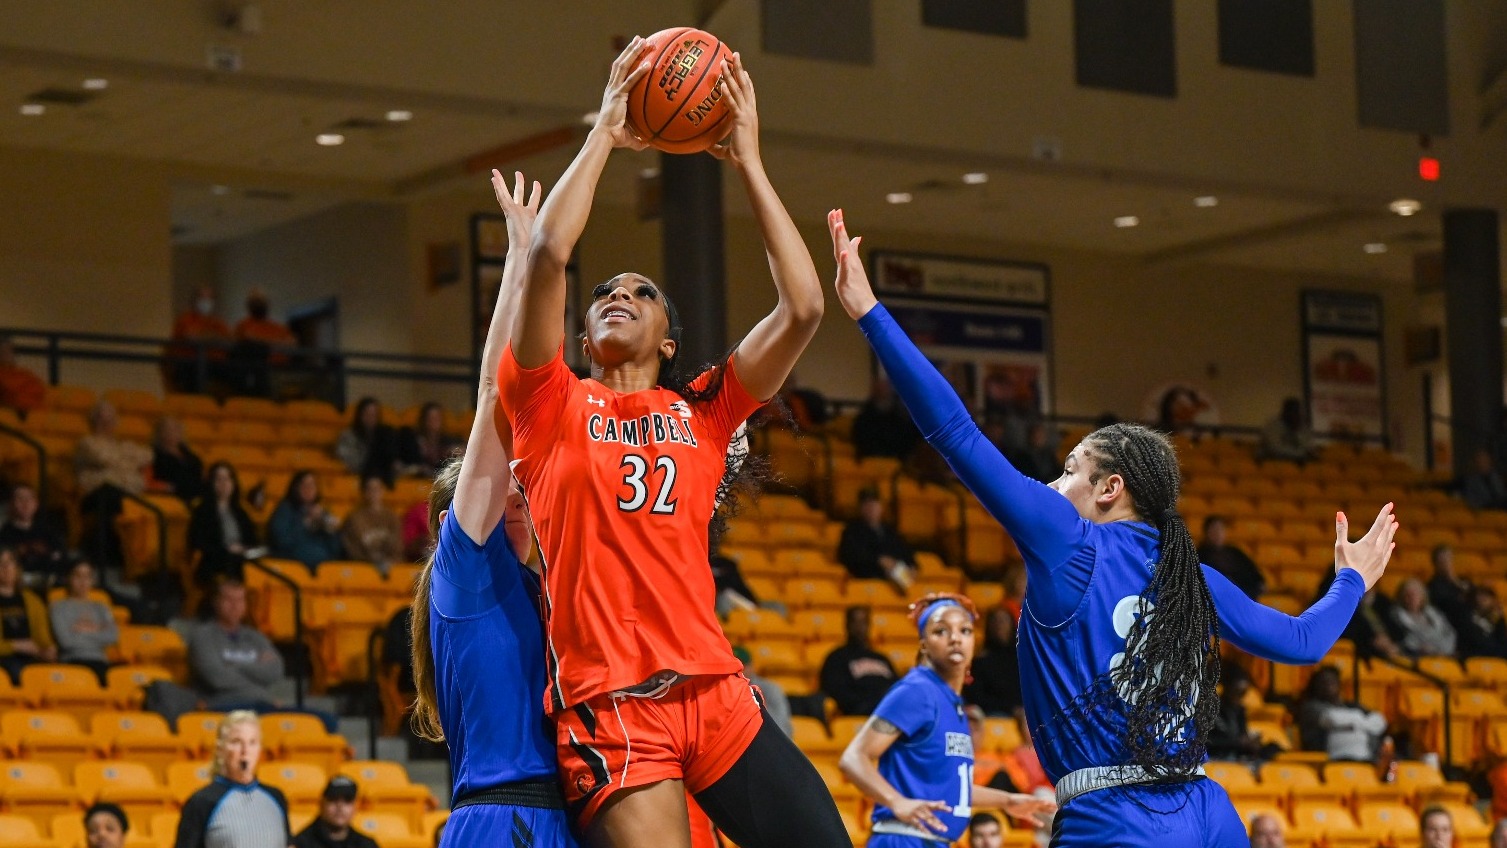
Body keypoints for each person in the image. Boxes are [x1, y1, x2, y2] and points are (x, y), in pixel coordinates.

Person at [828, 210, 1400, 847]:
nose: (1051, 483)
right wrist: (1350, 581)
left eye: (1069, 469)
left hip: (1115, 815)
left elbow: (956, 433)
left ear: (1109, 489)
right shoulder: (1192, 577)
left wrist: (870, 313)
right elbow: (1301, 641)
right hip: (1210, 811)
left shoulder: (1068, 541)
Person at [497, 42, 846, 847]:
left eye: (641, 292)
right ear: (582, 336)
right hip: (614, 706)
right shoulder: (546, 400)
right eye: (604, 295)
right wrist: (606, 135)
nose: (619, 295)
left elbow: (801, 309)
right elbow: (549, 253)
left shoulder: (705, 409)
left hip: (716, 693)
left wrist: (749, 163)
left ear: (666, 342)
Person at [408, 169, 578, 848]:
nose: (515, 485)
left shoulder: (543, 580)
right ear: (452, 527)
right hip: (501, 819)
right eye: (499, 482)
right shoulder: (466, 571)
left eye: (519, 482)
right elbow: (494, 395)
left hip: (557, 816)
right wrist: (519, 260)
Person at [839, 593, 1054, 845]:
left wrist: (1007, 801)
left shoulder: (953, 703)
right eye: (941, 631)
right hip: (904, 838)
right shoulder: (917, 691)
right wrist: (897, 802)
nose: (955, 638)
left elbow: (952, 789)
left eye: (964, 630)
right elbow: (853, 759)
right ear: (923, 645)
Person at [176, 710, 291, 848]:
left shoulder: (276, 798)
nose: (245, 751)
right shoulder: (202, 801)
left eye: (252, 742)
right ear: (220, 749)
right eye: (236, 742)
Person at [187, 579, 289, 712]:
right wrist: (256, 673)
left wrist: (232, 665)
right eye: (228, 600)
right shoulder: (203, 636)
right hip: (220, 704)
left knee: (320, 719)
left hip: (261, 703)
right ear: (216, 602)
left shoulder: (256, 637)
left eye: (240, 600)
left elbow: (274, 671)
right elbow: (218, 679)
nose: (235, 606)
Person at [74, 399, 151, 569]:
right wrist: (128, 462)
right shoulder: (87, 442)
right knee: (108, 494)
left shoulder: (123, 445)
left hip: (123, 494)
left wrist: (116, 463)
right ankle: (102, 557)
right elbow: (101, 458)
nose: (106, 423)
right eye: (102, 419)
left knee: (124, 500)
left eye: (110, 419)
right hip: (93, 495)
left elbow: (148, 456)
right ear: (94, 421)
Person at [189, 462, 262, 586]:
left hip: (241, 557)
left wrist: (245, 548)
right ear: (211, 483)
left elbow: (252, 539)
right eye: (219, 479)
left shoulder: (241, 512)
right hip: (215, 560)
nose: (224, 483)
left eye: (228, 479)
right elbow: (197, 541)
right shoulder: (202, 511)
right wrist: (227, 549)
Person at [1294, 666, 1388, 761]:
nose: (1328, 685)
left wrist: (1352, 723)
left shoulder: (1352, 705)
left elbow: (1379, 721)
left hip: (1365, 757)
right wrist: (1362, 722)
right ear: (1315, 686)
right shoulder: (1310, 707)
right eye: (1323, 682)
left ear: (1339, 683)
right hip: (1329, 756)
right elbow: (1332, 720)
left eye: (1332, 681)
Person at [820, 605, 899, 716]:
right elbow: (836, 692)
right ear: (847, 625)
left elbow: (897, 686)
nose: (860, 627)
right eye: (855, 622)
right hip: (861, 714)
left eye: (864, 622)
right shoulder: (837, 657)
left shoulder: (882, 658)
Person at [49, 558, 117, 683]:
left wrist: (81, 631)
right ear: (68, 578)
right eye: (78, 576)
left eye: (87, 576)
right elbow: (66, 641)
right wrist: (97, 630)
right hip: (72, 661)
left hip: (101, 661)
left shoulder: (101, 607)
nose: (83, 581)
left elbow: (112, 636)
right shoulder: (58, 607)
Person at [267, 470, 344, 571]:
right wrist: (305, 524)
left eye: (313, 485)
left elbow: (335, 550)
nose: (309, 489)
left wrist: (331, 531)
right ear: (296, 488)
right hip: (293, 565)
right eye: (305, 485)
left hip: (324, 568)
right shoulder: (285, 510)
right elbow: (281, 542)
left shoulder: (322, 512)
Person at [838, 490, 916, 589]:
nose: (871, 508)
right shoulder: (852, 531)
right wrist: (879, 560)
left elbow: (906, 552)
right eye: (867, 504)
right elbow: (851, 556)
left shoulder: (890, 531)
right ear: (861, 507)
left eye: (875, 504)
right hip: (866, 581)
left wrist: (912, 565)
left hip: (895, 583)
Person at [0, 545, 56, 682]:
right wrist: (16, 645)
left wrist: (48, 649)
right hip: (5, 658)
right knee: (19, 672)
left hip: (32, 656)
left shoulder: (32, 600)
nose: (6, 568)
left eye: (10, 562)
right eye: (1, 563)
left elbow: (43, 638)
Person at [1206, 666, 1280, 762]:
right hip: (1216, 757)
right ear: (1227, 688)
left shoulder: (1240, 711)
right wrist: (1237, 742)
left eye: (1244, 692)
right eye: (1237, 691)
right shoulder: (1211, 708)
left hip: (1237, 758)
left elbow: (1242, 736)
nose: (1240, 696)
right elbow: (1208, 740)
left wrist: (1251, 743)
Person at [0, 482, 66, 583]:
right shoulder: (4, 534)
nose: (25, 503)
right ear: (11, 504)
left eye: (30, 498)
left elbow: (60, 556)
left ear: (36, 503)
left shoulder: (48, 532)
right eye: (20, 499)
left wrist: (45, 551)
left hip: (48, 582)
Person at [963, 608, 1022, 717]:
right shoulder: (979, 662)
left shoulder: (1023, 660)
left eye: (1003, 621)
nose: (999, 625)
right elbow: (976, 697)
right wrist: (1012, 709)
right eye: (995, 621)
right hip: (996, 715)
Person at [292, 776, 378, 848]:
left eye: (347, 801)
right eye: (333, 799)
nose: (340, 807)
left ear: (355, 807)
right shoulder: (301, 844)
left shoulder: (366, 845)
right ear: (322, 804)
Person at [340, 475, 403, 573]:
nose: (374, 493)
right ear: (364, 492)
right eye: (370, 489)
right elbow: (351, 547)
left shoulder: (392, 517)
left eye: (377, 489)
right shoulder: (354, 518)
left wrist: (389, 559)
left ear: (383, 491)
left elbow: (398, 545)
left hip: (389, 565)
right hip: (362, 567)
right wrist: (367, 560)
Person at [1197, 516, 1265, 600]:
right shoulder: (1199, 555)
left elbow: (1253, 574)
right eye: (1214, 529)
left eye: (1221, 529)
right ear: (1206, 532)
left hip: (1241, 597)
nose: (1218, 533)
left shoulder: (1235, 552)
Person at [852, 378, 920, 461]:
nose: (884, 393)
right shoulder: (865, 418)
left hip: (897, 457)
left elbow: (909, 438)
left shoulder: (899, 417)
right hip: (873, 457)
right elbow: (862, 439)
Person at [335, 398, 400, 483]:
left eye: (374, 415)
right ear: (360, 415)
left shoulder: (383, 435)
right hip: (360, 474)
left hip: (382, 476)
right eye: (368, 414)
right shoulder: (348, 435)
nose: (371, 418)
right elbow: (346, 459)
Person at [733, 645, 793, 736]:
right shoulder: (722, 692)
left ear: (751, 666)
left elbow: (782, 726)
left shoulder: (770, 689)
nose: (737, 671)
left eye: (742, 666)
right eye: (733, 666)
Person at [1391, 578, 1457, 658]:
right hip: (1419, 657)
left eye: (1415, 594)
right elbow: (1407, 640)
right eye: (1408, 595)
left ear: (1422, 596)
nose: (1412, 598)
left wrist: (1445, 651)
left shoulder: (1434, 612)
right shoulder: (1397, 616)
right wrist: (1430, 650)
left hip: (1445, 654)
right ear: (1402, 597)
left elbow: (1449, 633)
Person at [398, 402, 460, 478]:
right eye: (431, 418)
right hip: (419, 480)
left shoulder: (448, 441)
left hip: (440, 479)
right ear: (424, 420)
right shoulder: (413, 440)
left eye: (437, 418)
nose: (434, 421)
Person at [150, 416, 204, 503]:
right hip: (169, 498)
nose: (172, 433)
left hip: (195, 495)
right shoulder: (152, 455)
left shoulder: (191, 457)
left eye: (176, 429)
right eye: (168, 429)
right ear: (159, 432)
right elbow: (150, 481)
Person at [1427, 544, 1474, 629]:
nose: (1446, 563)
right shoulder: (1433, 586)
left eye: (1448, 559)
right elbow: (1449, 604)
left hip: (1470, 621)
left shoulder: (1464, 580)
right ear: (1435, 563)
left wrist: (1455, 581)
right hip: (1451, 624)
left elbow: (1473, 596)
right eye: (1442, 560)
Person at [1258, 398, 1319, 463]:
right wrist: (1301, 454)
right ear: (1285, 412)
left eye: (1297, 412)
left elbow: (1310, 448)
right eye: (1292, 412)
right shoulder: (1272, 426)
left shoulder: (1303, 428)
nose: (1294, 415)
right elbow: (1275, 449)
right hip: (1271, 462)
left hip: (1296, 463)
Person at [0, 335, 45, 416]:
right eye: (3, 351)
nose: (8, 354)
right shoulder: (4, 376)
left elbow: (39, 390)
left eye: (10, 351)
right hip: (12, 412)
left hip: (34, 412)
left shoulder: (23, 374)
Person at [1461, 586, 1507, 660]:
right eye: (1480, 595)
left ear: (1493, 600)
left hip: (1494, 657)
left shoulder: (1498, 621)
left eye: (1487, 596)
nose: (1483, 599)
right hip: (1473, 656)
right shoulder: (1468, 616)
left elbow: (1503, 645)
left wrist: (1499, 621)